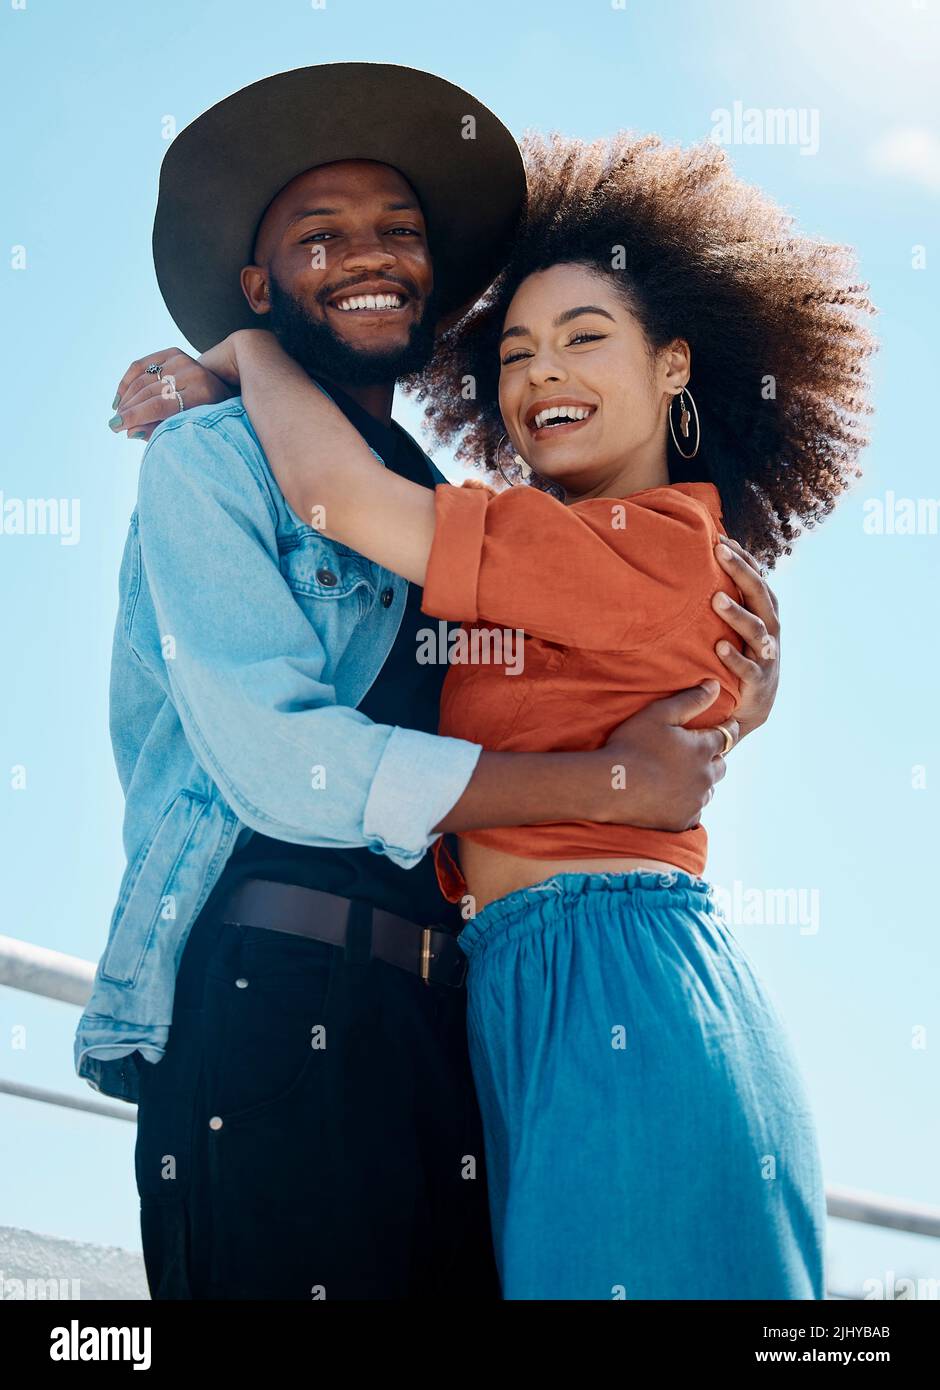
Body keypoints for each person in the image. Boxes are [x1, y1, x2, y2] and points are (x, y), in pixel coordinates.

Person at [84, 66, 779, 1301]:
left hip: (467, 1023)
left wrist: (737, 682)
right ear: (256, 286)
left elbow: (621, 668)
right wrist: (606, 785)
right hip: (272, 1006)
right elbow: (285, 760)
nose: (371, 256)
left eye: (399, 232)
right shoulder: (205, 460)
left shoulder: (448, 513)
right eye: (320, 236)